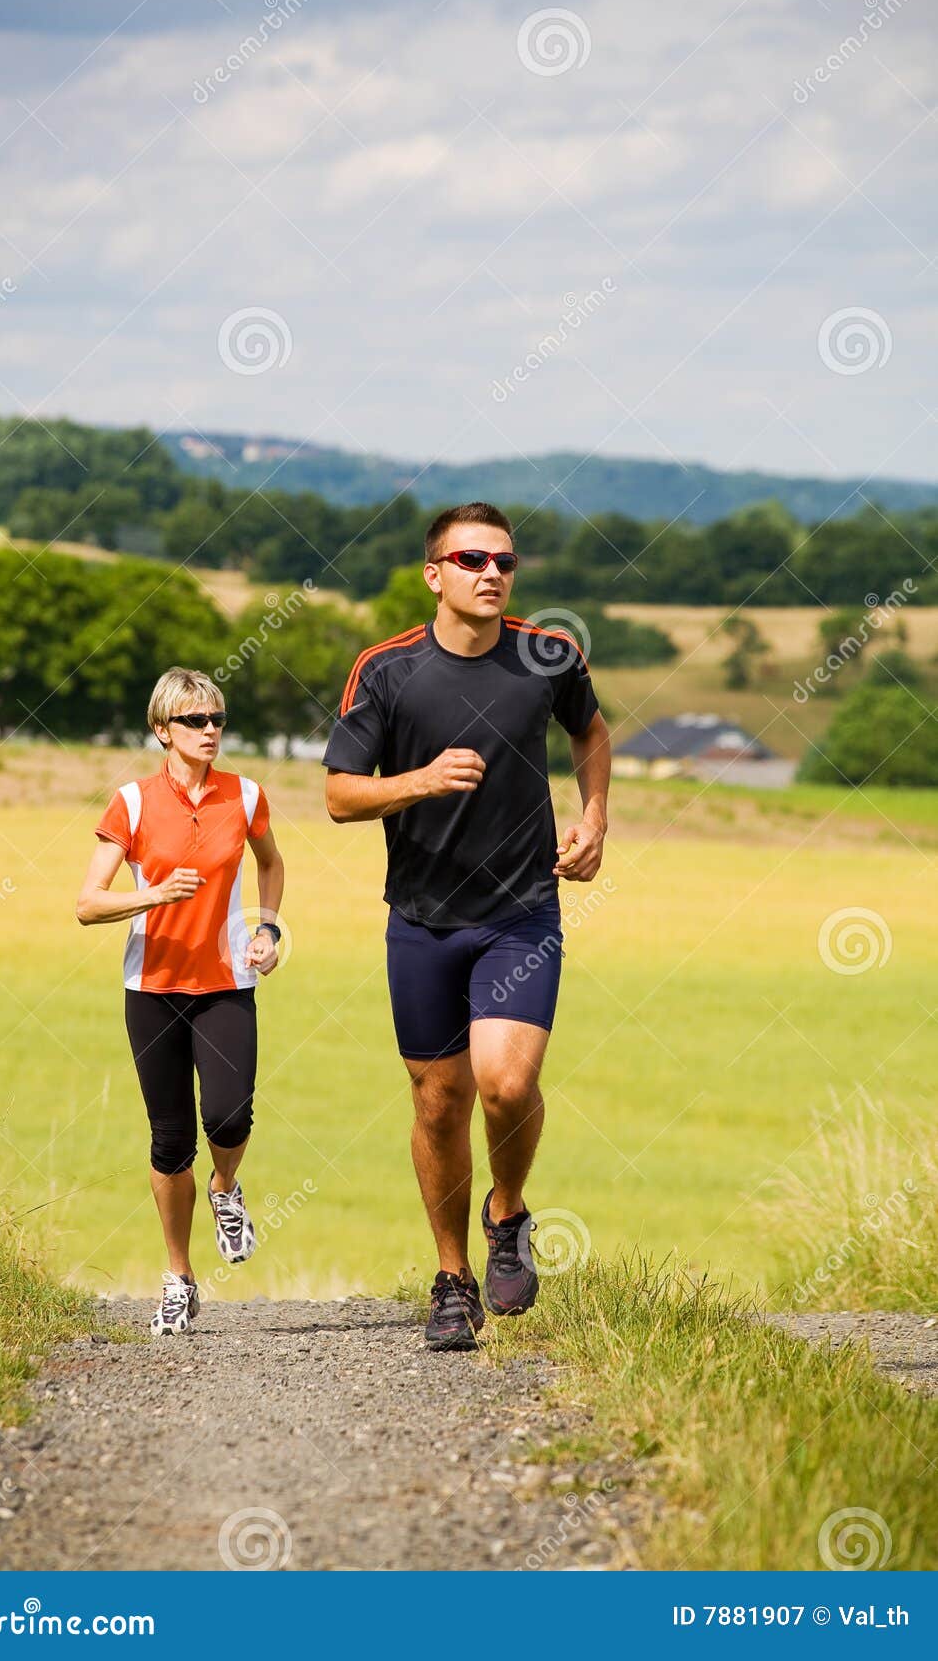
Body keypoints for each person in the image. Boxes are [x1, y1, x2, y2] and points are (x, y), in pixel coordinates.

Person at [322, 503, 610, 1351]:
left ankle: (507, 1211)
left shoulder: (547, 657)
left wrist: (594, 819)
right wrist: (417, 781)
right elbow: (340, 793)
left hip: (521, 911)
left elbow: (590, 731)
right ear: (434, 574)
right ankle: (452, 1278)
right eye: (473, 559)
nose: (492, 573)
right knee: (437, 1100)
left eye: (505, 562)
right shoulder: (386, 671)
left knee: (503, 1085)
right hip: (420, 919)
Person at [77, 666, 284, 1337]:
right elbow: (87, 904)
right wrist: (152, 895)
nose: (211, 731)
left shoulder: (245, 794)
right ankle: (178, 1276)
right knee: (170, 1140)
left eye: (217, 719)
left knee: (227, 1114)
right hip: (153, 987)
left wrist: (268, 928)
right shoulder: (131, 804)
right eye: (195, 721)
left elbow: (270, 863)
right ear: (162, 729)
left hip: (226, 980)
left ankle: (226, 1188)